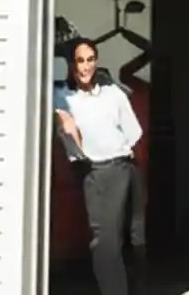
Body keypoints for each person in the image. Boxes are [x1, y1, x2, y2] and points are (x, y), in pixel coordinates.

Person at [54, 38, 144, 295]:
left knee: (131, 240)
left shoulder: (113, 94)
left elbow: (133, 135)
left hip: (122, 168)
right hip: (93, 170)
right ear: (71, 64)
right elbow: (64, 126)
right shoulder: (61, 95)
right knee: (104, 242)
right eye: (80, 61)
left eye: (90, 60)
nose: (85, 67)